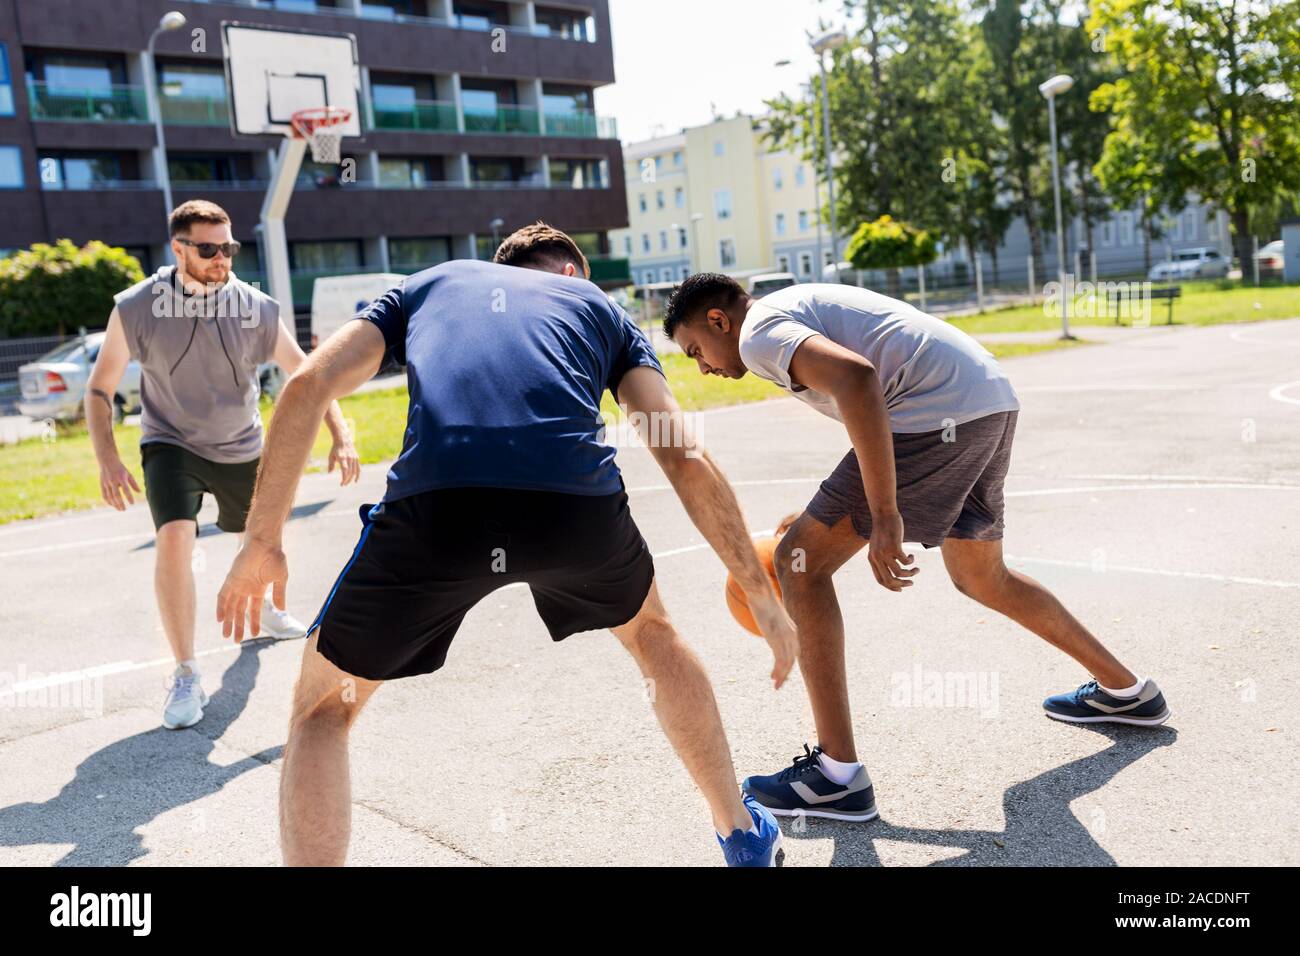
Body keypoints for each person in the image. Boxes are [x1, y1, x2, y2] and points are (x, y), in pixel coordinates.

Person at [215, 224, 798, 866]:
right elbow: (683, 454)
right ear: (574, 273)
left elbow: (305, 386)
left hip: (439, 503)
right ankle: (739, 832)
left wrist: (262, 541)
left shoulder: (429, 283)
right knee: (653, 636)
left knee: (323, 708)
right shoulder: (598, 307)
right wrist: (758, 592)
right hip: (572, 505)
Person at [664, 274, 1170, 822]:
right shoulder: (788, 307)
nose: (704, 367)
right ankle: (1128, 691)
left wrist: (884, 515)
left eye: (696, 351)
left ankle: (836, 777)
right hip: (986, 400)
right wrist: (824, 516)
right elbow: (869, 392)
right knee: (982, 577)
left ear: (719, 320)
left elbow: (859, 380)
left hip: (934, 413)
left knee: (798, 567)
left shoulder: (758, 334)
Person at [87, 199, 361, 730]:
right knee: (173, 536)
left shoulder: (256, 307)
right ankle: (186, 671)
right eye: (208, 248)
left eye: (229, 247)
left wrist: (341, 435)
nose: (221, 259)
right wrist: (107, 459)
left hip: (240, 444)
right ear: (178, 248)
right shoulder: (136, 307)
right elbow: (99, 388)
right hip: (169, 441)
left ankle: (268, 610)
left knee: (258, 535)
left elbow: (306, 377)